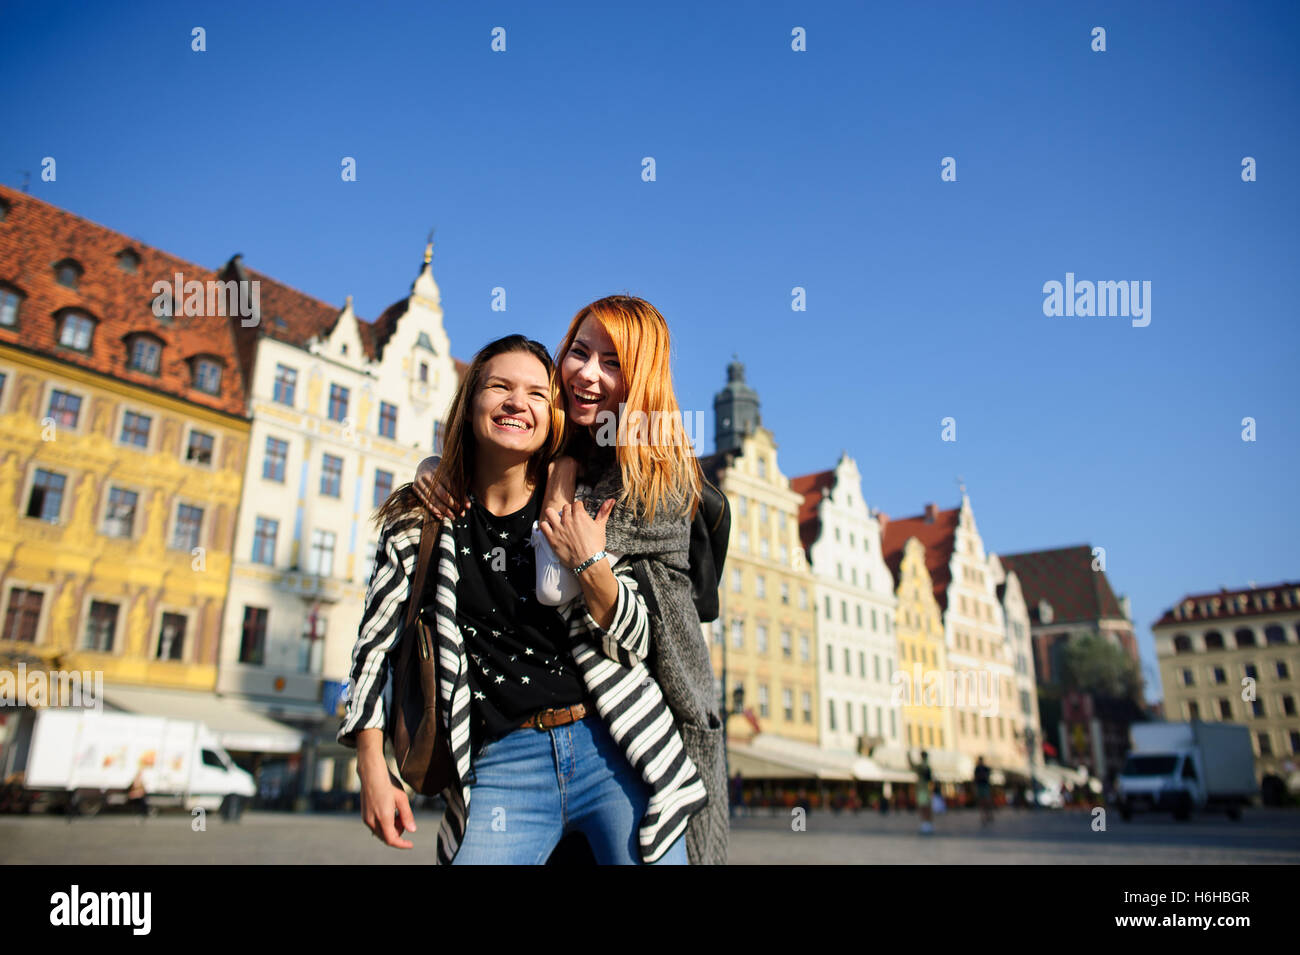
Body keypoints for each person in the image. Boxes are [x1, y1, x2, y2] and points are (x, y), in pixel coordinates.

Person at [339, 334, 705, 864]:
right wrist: (372, 767)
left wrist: (590, 562)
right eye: (500, 387)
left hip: (612, 745)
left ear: (552, 415)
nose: (518, 402)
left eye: (537, 393)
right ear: (469, 406)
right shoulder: (417, 526)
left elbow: (637, 640)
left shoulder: (579, 505)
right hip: (504, 762)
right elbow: (373, 650)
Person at [416, 296, 730, 865]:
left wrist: (592, 563)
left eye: (613, 362)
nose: (587, 373)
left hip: (641, 730)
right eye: (579, 352)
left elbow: (649, 638)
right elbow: (493, 465)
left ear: (641, 379)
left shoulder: (653, 486)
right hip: (518, 744)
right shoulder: (548, 443)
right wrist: (438, 468)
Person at [911, 750, 934, 834]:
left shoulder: (922, 766)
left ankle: (925, 823)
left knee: (923, 807)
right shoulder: (928, 765)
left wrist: (908, 756)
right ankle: (928, 824)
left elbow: (912, 766)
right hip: (926, 788)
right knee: (927, 807)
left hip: (922, 788)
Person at [974, 755, 993, 827]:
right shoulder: (977, 768)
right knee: (982, 802)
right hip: (980, 786)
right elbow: (975, 778)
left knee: (987, 801)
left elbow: (987, 776)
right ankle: (983, 817)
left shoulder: (985, 768)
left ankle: (989, 815)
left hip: (985, 786)